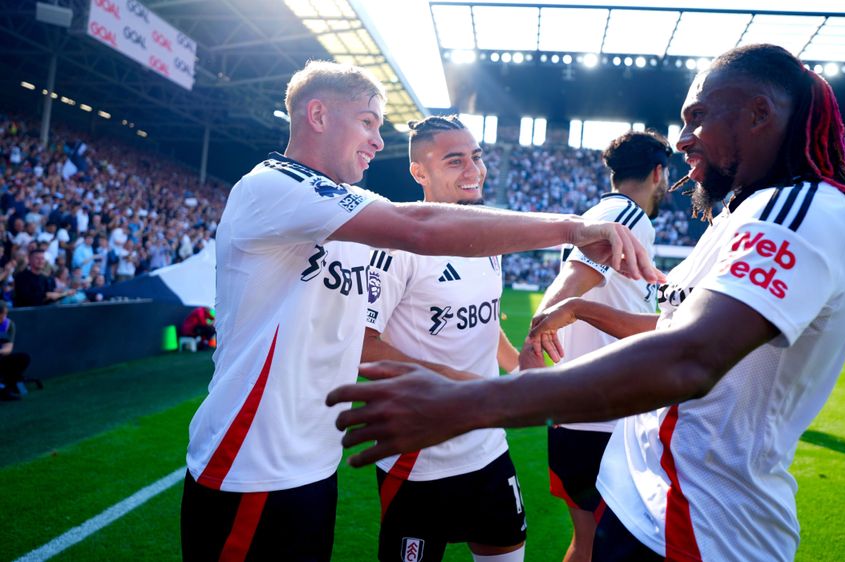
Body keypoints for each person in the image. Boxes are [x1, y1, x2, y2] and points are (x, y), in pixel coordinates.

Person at [330, 43, 845, 562]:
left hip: (699, 529)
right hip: (642, 500)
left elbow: (690, 356)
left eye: (698, 117)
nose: (682, 140)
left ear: (759, 113)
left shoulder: (804, 210)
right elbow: (667, 328)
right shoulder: (736, 216)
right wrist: (575, 311)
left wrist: (473, 401)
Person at [180, 60, 659, 562]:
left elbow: (449, 236)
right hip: (250, 460)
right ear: (317, 114)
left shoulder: (347, 203)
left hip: (313, 460)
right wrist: (570, 228)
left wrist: (514, 364)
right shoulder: (272, 187)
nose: (376, 140)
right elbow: (421, 230)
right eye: (367, 121)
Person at [362, 115, 526, 562]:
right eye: (455, 161)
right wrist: (456, 380)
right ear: (420, 172)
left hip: (489, 446)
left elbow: (485, 322)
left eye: (476, 157)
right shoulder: (395, 243)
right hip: (419, 456)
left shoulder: (488, 237)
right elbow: (361, 344)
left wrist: (523, 369)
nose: (473, 170)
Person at [518, 130, 669, 562]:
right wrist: (537, 334)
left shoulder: (609, 211)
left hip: (588, 413)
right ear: (658, 173)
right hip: (601, 419)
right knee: (603, 546)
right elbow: (570, 285)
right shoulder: (626, 214)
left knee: (588, 545)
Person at [0, 301, 31, 401]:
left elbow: (8, 348)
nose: (4, 316)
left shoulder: (8, 324)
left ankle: (9, 389)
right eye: (2, 314)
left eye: (5, 313)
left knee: (23, 358)